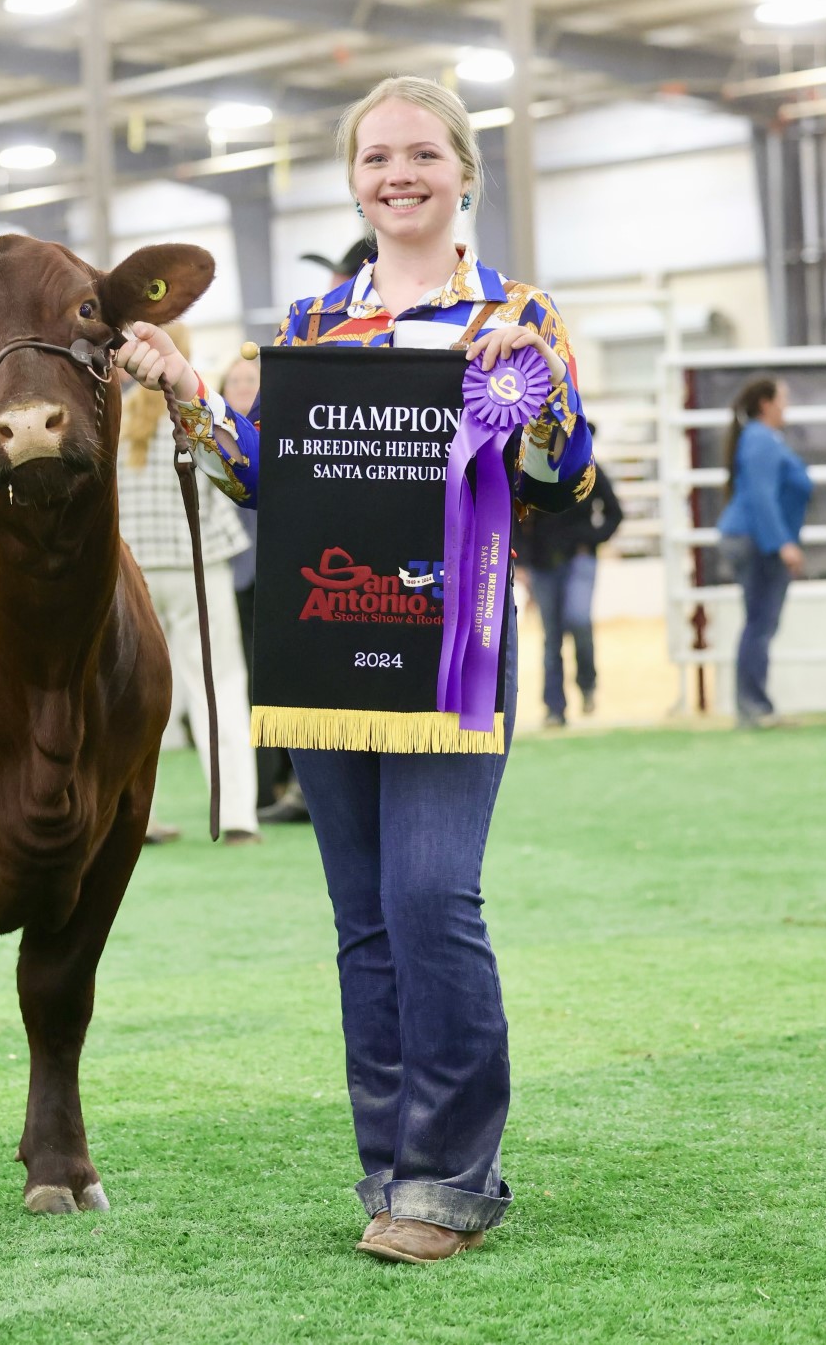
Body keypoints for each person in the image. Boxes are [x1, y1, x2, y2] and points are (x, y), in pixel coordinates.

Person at [118, 76, 595, 1265]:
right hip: (328, 639)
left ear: (462, 171)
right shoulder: (314, 321)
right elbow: (271, 483)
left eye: (422, 154)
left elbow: (563, 479)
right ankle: (392, 1170)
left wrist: (531, 395)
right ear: (353, 175)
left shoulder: (520, 314)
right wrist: (189, 395)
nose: (399, 174)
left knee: (434, 899)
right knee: (365, 918)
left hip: (455, 647)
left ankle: (453, 1177)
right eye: (377, 156)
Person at [115, 327, 260, 846]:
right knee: (218, 687)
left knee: (138, 697)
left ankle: (138, 817)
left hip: (135, 574)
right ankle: (239, 813)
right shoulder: (195, 416)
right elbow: (230, 482)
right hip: (199, 567)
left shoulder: (117, 415)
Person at [219, 352, 303, 823]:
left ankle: (294, 781)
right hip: (236, 576)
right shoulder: (219, 440)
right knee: (250, 681)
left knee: (287, 674)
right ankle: (263, 788)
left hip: (286, 572)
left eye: (253, 379)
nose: (245, 386)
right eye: (236, 381)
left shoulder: (287, 431)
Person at [715, 377, 812, 727]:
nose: (787, 404)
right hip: (757, 540)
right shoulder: (761, 440)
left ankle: (755, 704)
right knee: (759, 623)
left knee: (759, 623)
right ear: (766, 404)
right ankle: (754, 707)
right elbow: (761, 496)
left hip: (755, 538)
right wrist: (782, 543)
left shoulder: (762, 439)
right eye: (783, 398)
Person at [519, 464, 623, 727]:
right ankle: (555, 708)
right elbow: (518, 515)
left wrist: (591, 540)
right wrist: (523, 561)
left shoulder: (588, 469)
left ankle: (586, 682)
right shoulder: (531, 468)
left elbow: (614, 513)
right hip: (543, 562)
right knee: (552, 636)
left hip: (578, 558)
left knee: (578, 618)